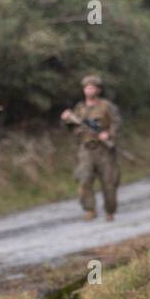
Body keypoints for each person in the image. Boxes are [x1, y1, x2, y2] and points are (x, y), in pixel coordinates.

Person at [60, 73, 122, 221]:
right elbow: (70, 126)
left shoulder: (106, 106)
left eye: (92, 88)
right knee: (84, 179)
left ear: (98, 90)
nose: (89, 90)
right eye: (87, 88)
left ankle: (110, 211)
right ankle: (90, 209)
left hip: (104, 149)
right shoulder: (80, 109)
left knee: (109, 181)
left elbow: (116, 122)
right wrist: (66, 119)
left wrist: (109, 134)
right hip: (86, 148)